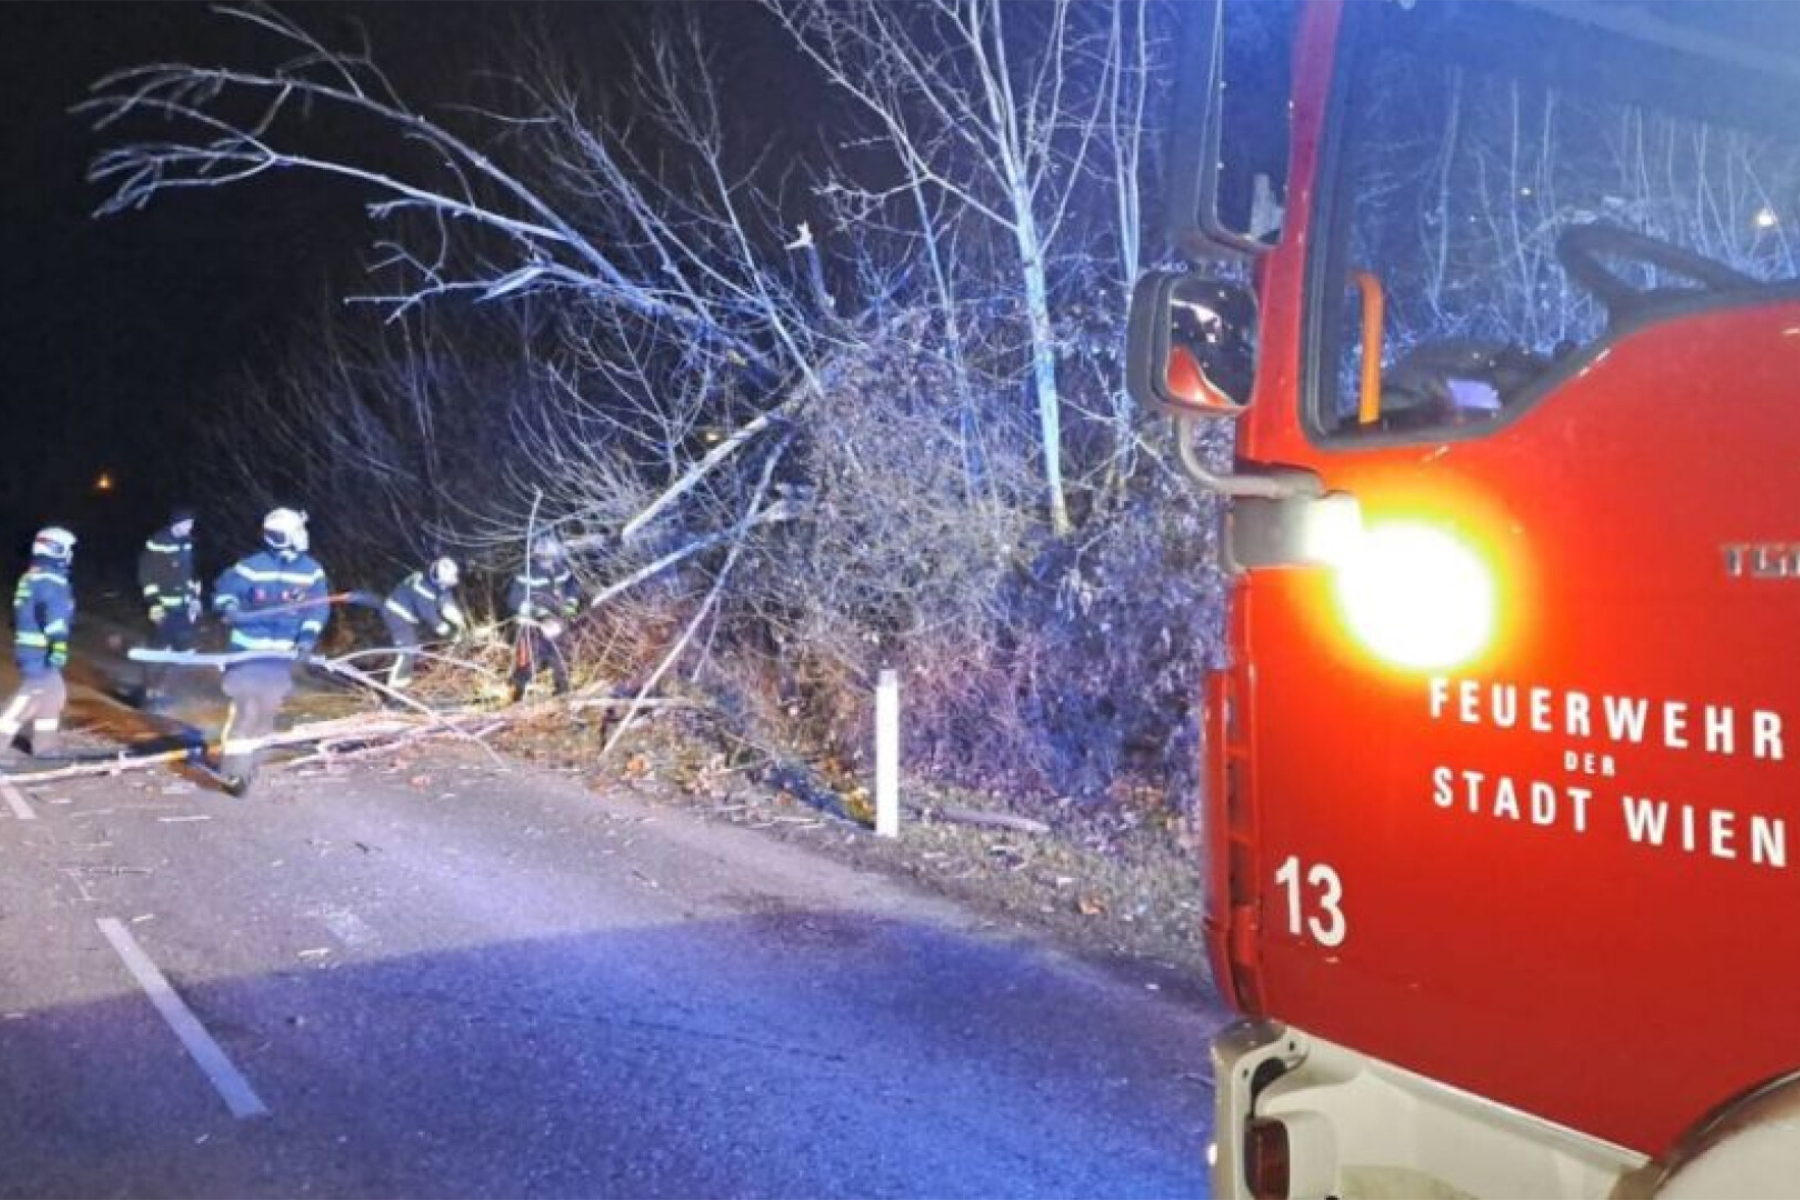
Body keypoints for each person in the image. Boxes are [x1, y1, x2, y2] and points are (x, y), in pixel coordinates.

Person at [210, 507, 330, 796]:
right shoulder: (252, 567)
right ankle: (234, 774)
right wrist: (229, 607)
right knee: (246, 709)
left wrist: (307, 638)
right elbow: (224, 591)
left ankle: (248, 762)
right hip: (246, 652)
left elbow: (317, 608)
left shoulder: (311, 572)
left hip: (280, 657)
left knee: (266, 710)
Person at [0, 527, 77, 760]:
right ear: (57, 549)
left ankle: (45, 745)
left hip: (32, 646)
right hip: (40, 649)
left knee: (53, 693)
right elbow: (54, 616)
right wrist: (58, 644)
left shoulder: (33, 576)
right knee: (31, 694)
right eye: (68, 549)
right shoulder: (51, 579)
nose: (70, 555)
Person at [137, 506, 200, 707]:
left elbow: (187, 574)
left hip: (182, 607)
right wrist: (154, 604)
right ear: (177, 523)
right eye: (187, 523)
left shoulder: (186, 543)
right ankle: (149, 692)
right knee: (157, 649)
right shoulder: (158, 542)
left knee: (185, 651)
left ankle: (164, 689)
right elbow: (147, 574)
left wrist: (193, 598)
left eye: (191, 523)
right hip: (162, 608)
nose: (190, 527)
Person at [507, 536, 580, 702]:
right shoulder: (526, 574)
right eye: (545, 559)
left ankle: (563, 693)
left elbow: (573, 588)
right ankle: (516, 696)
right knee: (527, 662)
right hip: (531, 627)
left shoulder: (561, 571)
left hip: (556, 624)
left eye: (552, 559)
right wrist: (539, 614)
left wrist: (570, 605)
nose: (549, 563)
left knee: (561, 658)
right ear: (537, 557)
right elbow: (514, 601)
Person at [382, 556, 466, 690]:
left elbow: (447, 603)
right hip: (396, 613)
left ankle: (416, 671)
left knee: (421, 642)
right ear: (440, 579)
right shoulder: (423, 589)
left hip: (411, 615)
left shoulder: (433, 576)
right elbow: (433, 620)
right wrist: (452, 635)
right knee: (408, 650)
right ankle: (396, 689)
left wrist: (461, 623)